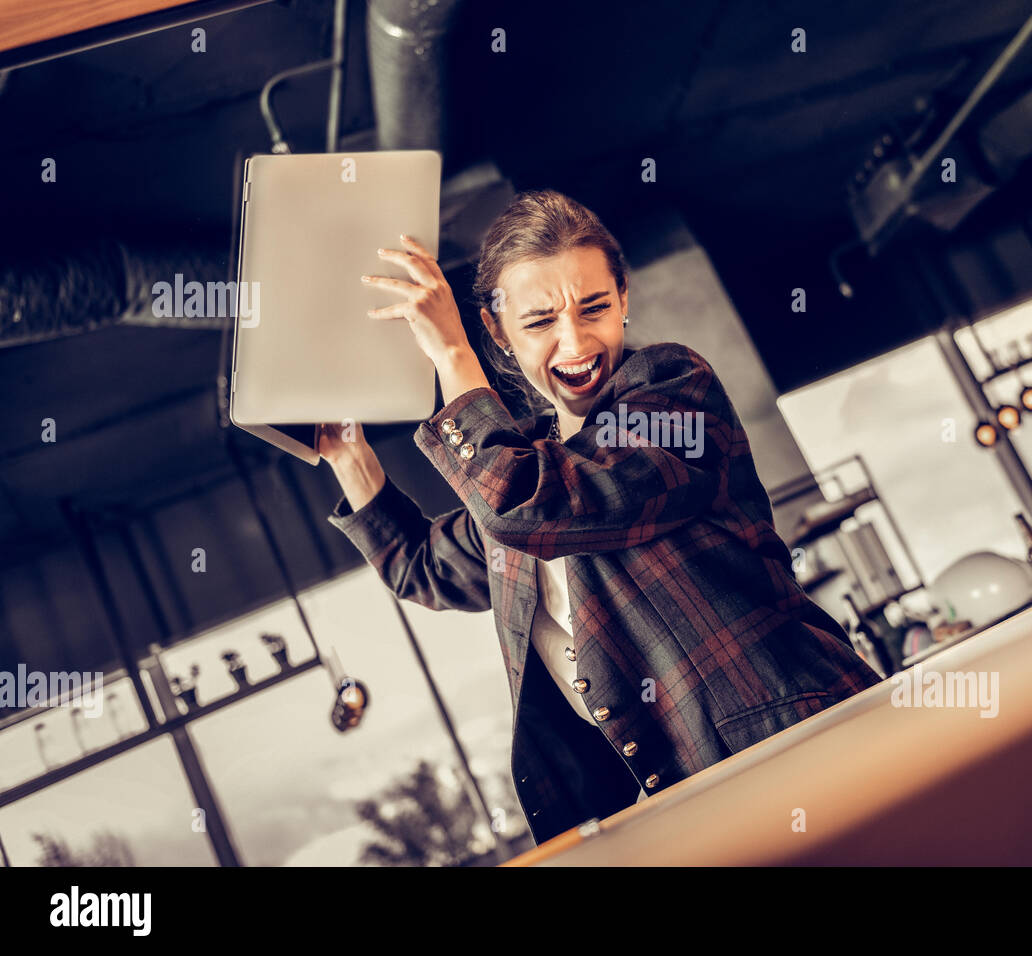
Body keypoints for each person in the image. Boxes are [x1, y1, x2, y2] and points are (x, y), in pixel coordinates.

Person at [320, 189, 881, 845]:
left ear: (624, 301)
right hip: (678, 810)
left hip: (802, 756)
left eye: (595, 308)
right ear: (497, 329)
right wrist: (347, 457)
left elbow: (530, 503)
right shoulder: (527, 466)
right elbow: (425, 569)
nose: (575, 341)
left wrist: (451, 356)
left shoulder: (673, 393)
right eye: (539, 323)